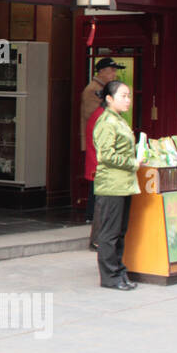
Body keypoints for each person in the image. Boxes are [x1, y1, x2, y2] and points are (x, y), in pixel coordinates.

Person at [91, 80, 139, 291]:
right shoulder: (106, 122)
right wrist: (132, 163)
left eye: (128, 96)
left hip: (124, 184)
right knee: (109, 234)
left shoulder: (119, 120)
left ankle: (119, 271)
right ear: (109, 99)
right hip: (111, 184)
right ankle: (110, 276)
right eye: (123, 96)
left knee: (120, 231)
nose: (127, 100)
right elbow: (106, 156)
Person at [83, 101, 105, 247]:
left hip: (96, 160)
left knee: (96, 196)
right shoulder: (102, 117)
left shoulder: (99, 115)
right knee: (99, 200)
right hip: (99, 162)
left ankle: (90, 216)